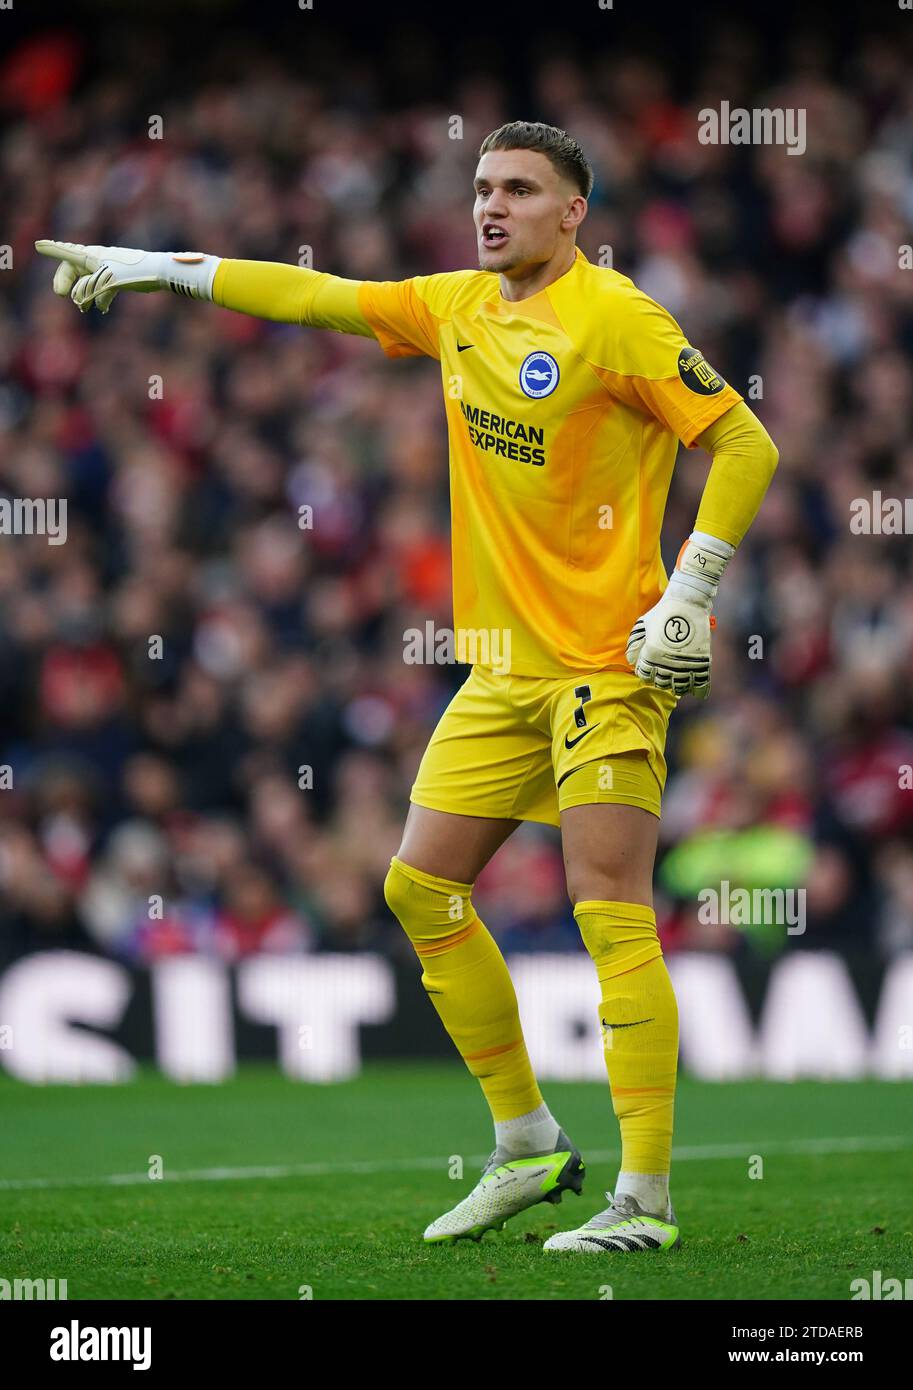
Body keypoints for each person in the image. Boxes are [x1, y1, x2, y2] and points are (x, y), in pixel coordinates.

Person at [37, 119, 778, 1254]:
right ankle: (527, 1142)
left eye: (521, 190)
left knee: (607, 906)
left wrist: (690, 594)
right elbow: (309, 296)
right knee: (419, 890)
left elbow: (744, 443)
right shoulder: (455, 307)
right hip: (500, 673)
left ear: (573, 213)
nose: (492, 206)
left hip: (604, 669)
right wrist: (156, 269)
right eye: (483, 187)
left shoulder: (618, 320)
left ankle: (646, 1199)